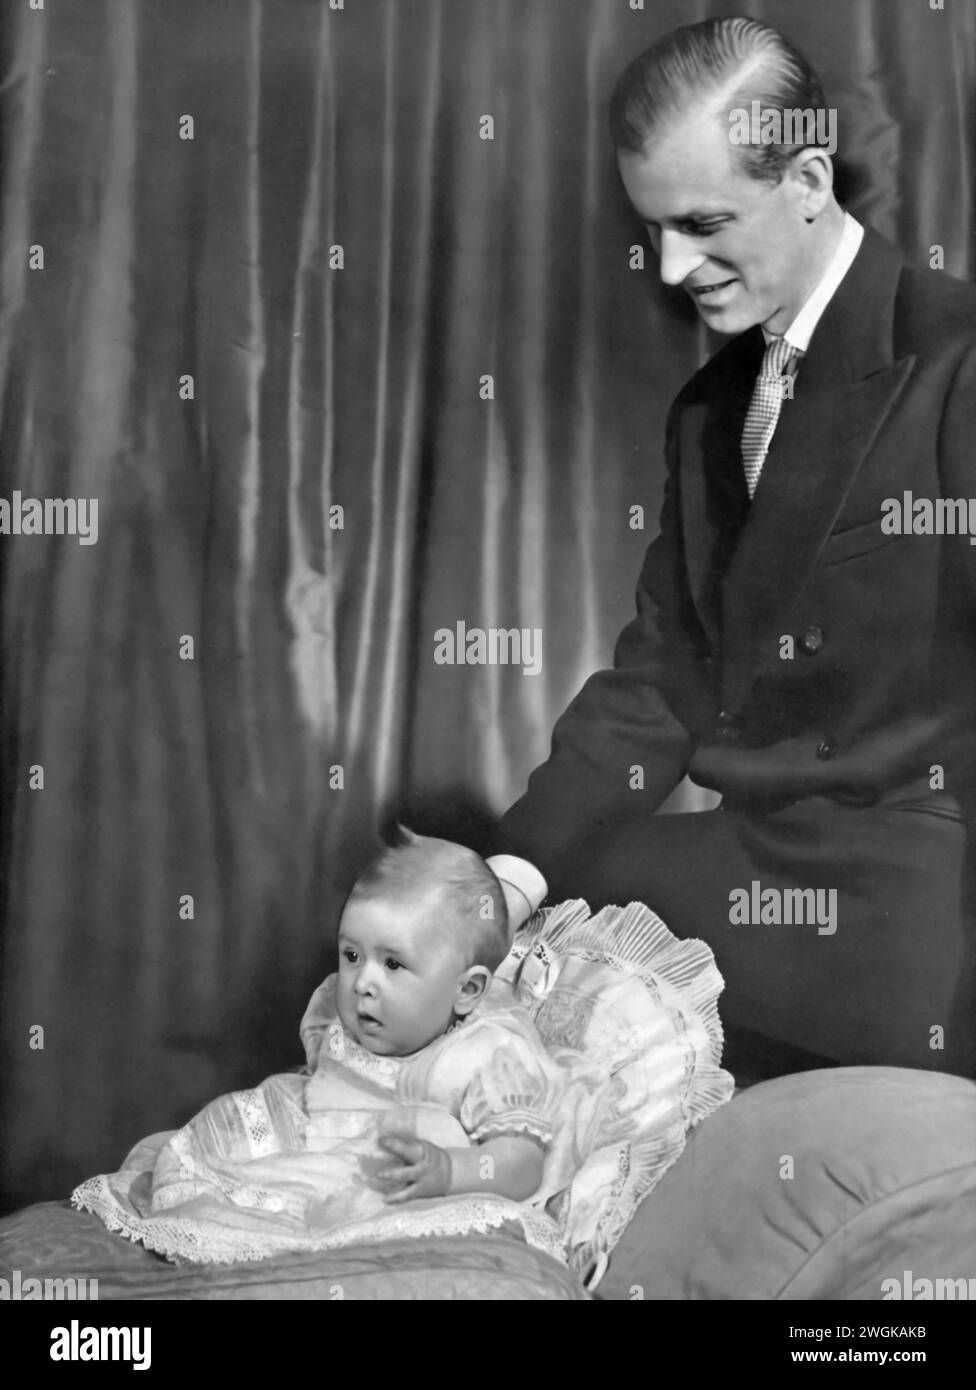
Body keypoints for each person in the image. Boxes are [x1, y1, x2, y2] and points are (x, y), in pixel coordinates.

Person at [487, 16, 976, 1082]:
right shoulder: (711, 408)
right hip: (751, 873)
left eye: (703, 223)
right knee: (445, 947)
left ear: (808, 178)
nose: (672, 267)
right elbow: (663, 679)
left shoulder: (958, 359)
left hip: (920, 907)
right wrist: (503, 882)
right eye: (654, 229)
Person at [71, 830, 565, 1263]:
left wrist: (450, 1170)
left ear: (467, 990)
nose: (363, 983)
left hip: (386, 1169)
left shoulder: (488, 1053)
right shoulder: (337, 1008)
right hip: (313, 1130)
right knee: (215, 1130)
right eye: (352, 955)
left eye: (393, 965)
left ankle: (284, 1232)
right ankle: (218, 1217)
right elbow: (318, 1082)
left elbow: (522, 1164)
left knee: (372, 1181)